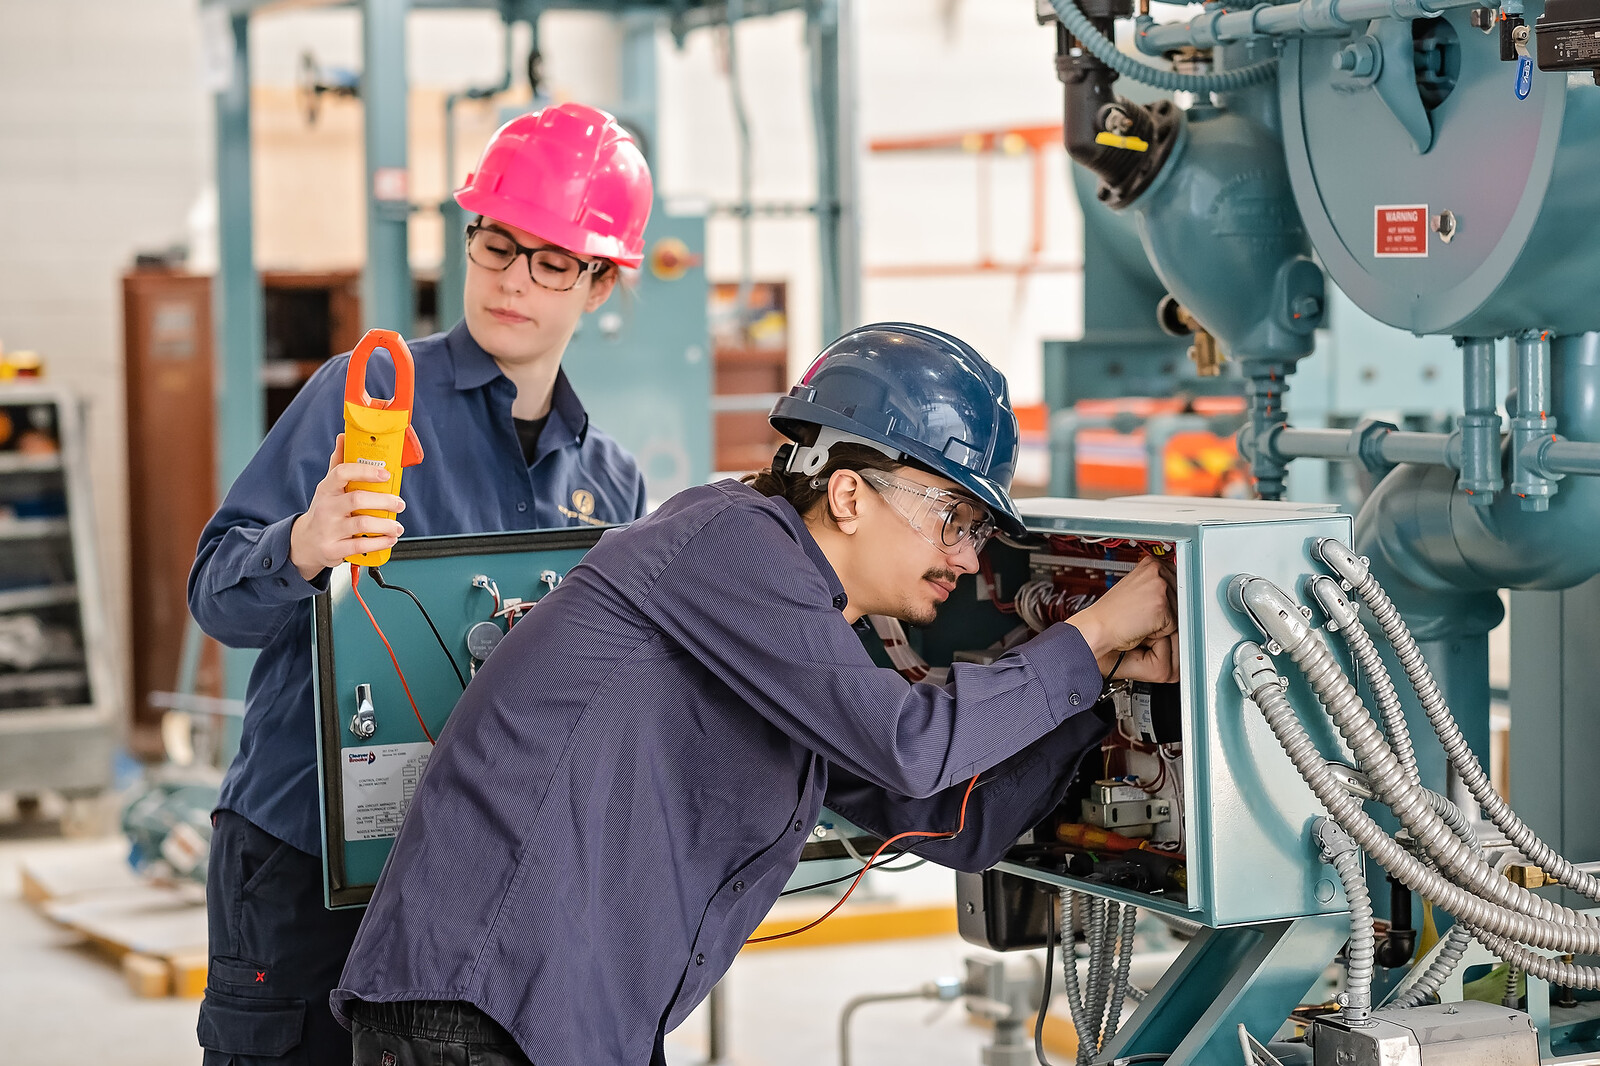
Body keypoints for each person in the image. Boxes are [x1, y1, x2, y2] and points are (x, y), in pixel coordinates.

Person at [330, 322, 1178, 1066]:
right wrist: (1092, 634)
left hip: (557, 1024)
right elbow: (912, 742)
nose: (965, 558)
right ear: (849, 494)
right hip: (478, 1012)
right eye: (954, 518)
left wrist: (1099, 690)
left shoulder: (795, 637)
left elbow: (952, 817)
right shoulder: (730, 541)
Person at [188, 102, 655, 1066]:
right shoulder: (364, 396)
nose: (512, 280)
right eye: (495, 244)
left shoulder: (608, 484)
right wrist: (306, 540)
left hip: (475, 882)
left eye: (552, 261)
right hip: (303, 863)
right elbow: (216, 594)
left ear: (600, 284)